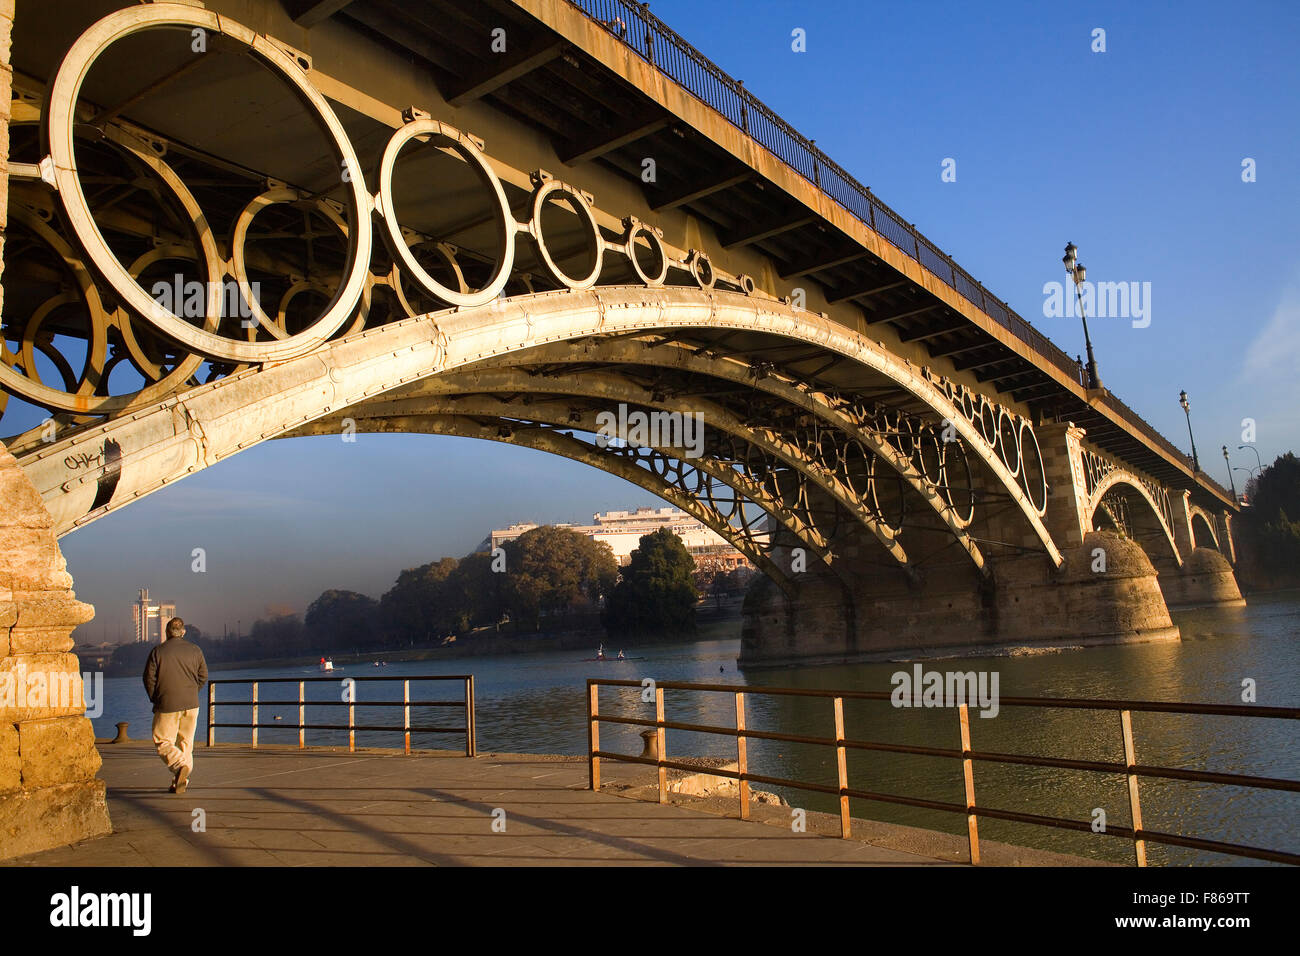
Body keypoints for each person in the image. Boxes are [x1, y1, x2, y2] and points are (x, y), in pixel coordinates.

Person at [142, 617, 208, 794]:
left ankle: (179, 767)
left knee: (162, 740)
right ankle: (181, 781)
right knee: (186, 743)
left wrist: (155, 698)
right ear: (183, 632)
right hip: (192, 703)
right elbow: (203, 676)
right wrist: (192, 692)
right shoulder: (195, 650)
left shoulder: (158, 651)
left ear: (166, 632)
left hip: (167, 703)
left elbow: (149, 679)